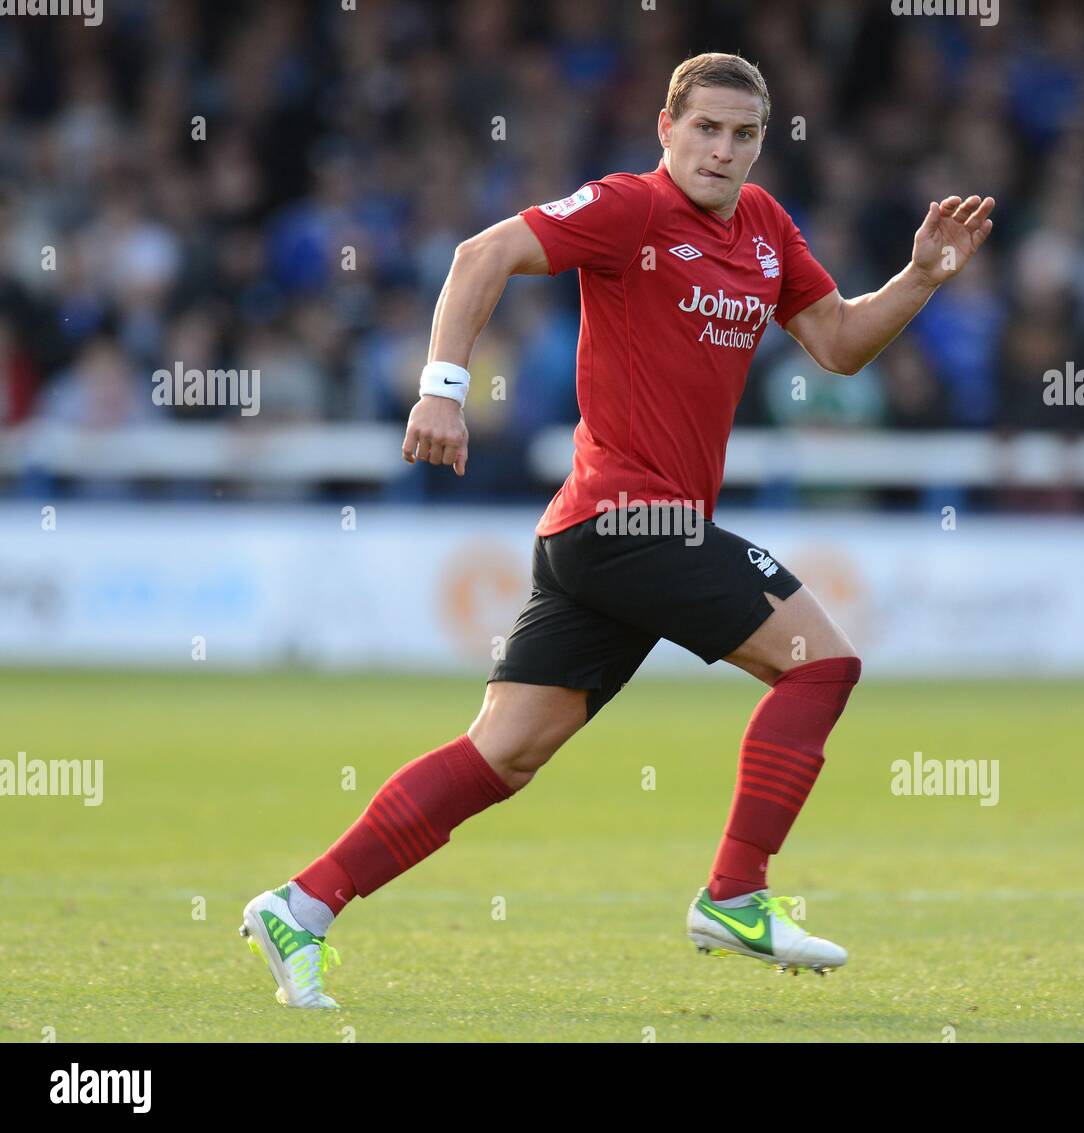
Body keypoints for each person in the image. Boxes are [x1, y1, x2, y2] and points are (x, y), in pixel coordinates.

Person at [239, 52, 994, 1007]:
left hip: (600, 538)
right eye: (706, 129)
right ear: (667, 129)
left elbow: (839, 342)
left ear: (762, 143)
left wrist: (922, 276)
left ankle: (300, 905)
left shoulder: (764, 227)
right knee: (820, 663)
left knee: (502, 753)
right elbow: (483, 253)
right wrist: (443, 390)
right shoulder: (630, 208)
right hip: (632, 520)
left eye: (744, 134)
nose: (723, 150)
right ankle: (736, 893)